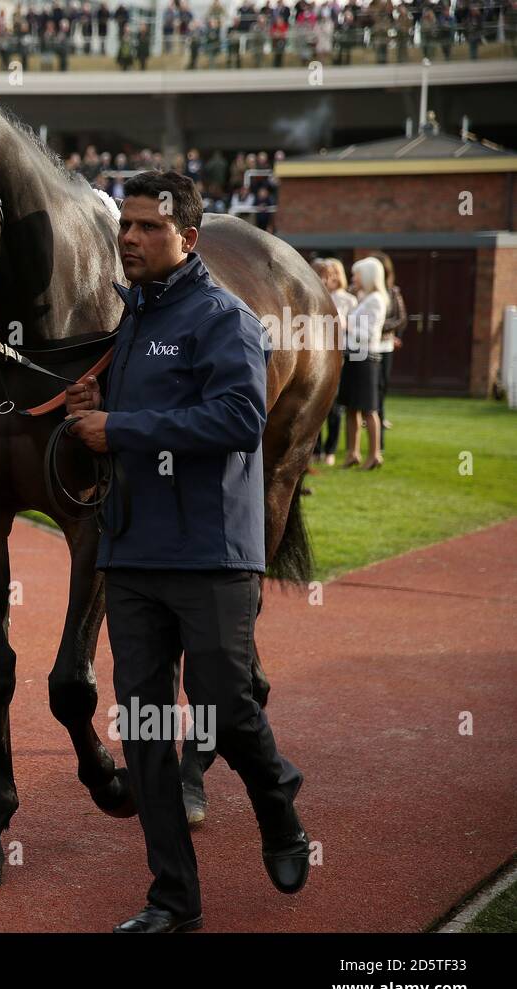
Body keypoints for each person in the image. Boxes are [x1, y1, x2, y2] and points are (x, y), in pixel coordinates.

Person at [65, 171, 309, 933]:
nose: (130, 239)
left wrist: (121, 429)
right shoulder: (132, 318)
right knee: (141, 725)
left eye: (148, 228)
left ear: (189, 239)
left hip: (210, 554)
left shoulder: (225, 318)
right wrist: (97, 412)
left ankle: (277, 800)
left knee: (225, 708)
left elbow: (239, 419)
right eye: (125, 225)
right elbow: (149, 413)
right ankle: (174, 896)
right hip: (133, 551)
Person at [337, 256, 387, 470]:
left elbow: (369, 333)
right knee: (350, 408)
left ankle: (375, 454)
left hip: (365, 358)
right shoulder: (365, 298)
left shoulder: (376, 300)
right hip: (354, 356)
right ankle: (352, 453)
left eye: (356, 274)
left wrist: (346, 325)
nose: (352, 278)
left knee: (368, 408)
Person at [311, 257, 355, 466]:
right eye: (324, 274)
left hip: (337, 353)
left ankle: (330, 449)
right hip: (315, 352)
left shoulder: (347, 300)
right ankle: (316, 449)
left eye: (332, 273)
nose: (329, 278)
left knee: (334, 406)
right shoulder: (311, 294)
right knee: (314, 404)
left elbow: (349, 327)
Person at [368, 250, 405, 438]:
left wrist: (379, 327)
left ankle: (379, 424)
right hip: (368, 346)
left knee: (381, 386)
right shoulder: (362, 292)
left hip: (384, 345)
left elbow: (400, 318)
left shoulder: (392, 292)